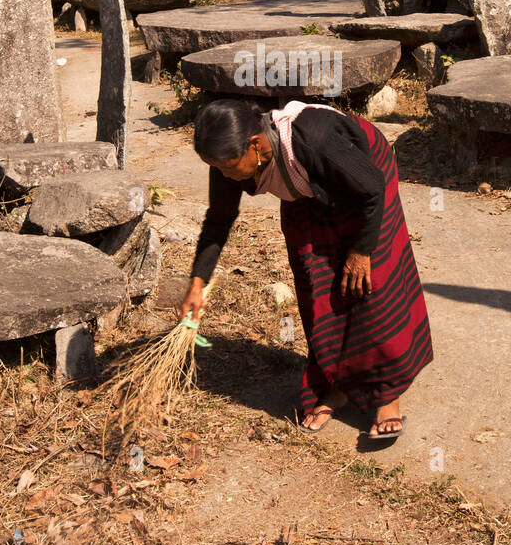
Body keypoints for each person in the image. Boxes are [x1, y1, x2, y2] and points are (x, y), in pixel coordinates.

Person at [180, 97, 433, 440]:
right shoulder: (231, 153)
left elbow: (371, 189)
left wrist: (360, 251)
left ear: (256, 145)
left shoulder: (317, 139)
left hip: (364, 182)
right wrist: (197, 282)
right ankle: (336, 381)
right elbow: (219, 219)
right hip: (307, 188)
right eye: (219, 168)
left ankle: (386, 392)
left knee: (367, 286)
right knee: (316, 282)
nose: (224, 175)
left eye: (227, 167)